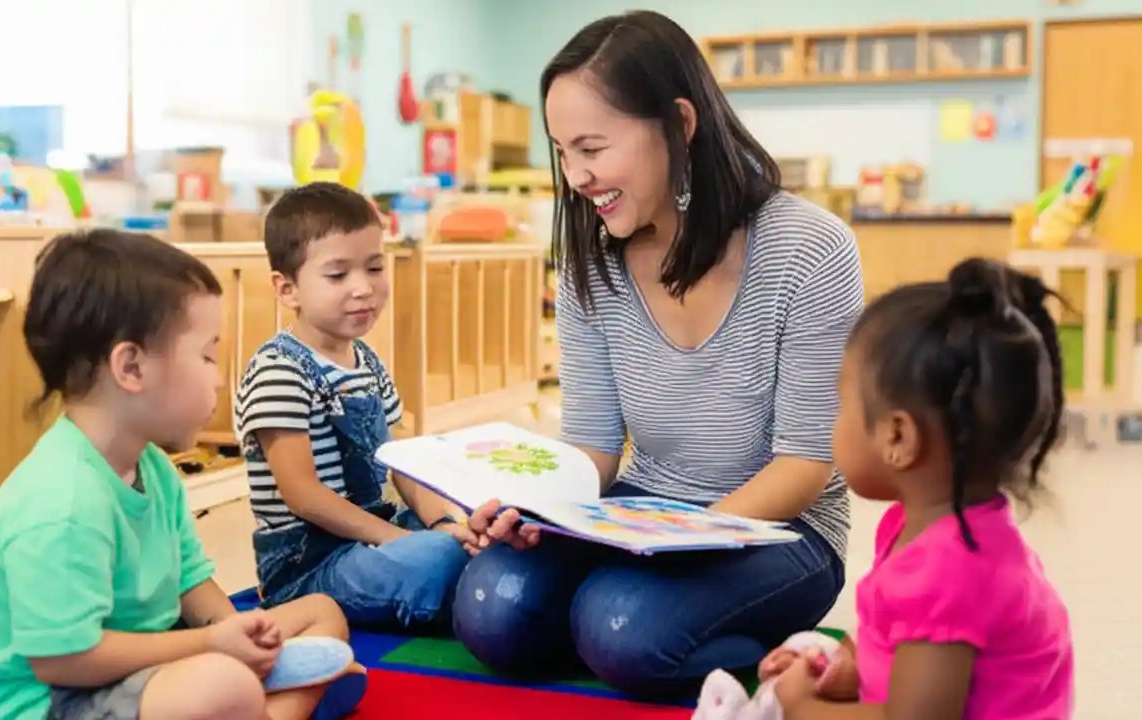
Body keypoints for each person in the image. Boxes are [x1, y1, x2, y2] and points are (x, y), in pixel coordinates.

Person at [454, 10, 861, 696]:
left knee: (622, 627)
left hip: (784, 530)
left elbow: (806, 465)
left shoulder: (809, 250)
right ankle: (644, 623)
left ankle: (768, 670)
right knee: (491, 611)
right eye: (561, 151)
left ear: (679, 123)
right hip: (645, 511)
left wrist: (682, 541)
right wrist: (535, 505)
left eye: (592, 147)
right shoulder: (591, 263)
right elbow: (593, 448)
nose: (576, 175)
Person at [0, 229, 368, 720]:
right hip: (56, 699)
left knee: (320, 611)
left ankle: (269, 702)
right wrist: (211, 646)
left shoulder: (152, 467)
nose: (219, 377)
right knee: (223, 687)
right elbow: (63, 659)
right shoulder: (63, 500)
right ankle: (280, 704)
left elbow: (189, 580)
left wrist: (242, 633)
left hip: (148, 664)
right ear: (131, 367)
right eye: (207, 356)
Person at [761, 258, 1074, 719]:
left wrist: (803, 707)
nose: (834, 420)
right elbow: (894, 630)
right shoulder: (939, 529)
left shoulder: (950, 575)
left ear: (898, 439)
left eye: (843, 403)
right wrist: (848, 667)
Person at [235, 182, 474, 632]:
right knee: (437, 559)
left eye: (374, 267)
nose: (364, 288)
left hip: (371, 538)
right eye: (338, 275)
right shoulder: (279, 369)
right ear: (287, 289)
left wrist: (442, 520)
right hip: (307, 565)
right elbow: (302, 494)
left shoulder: (366, 361)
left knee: (472, 534)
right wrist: (398, 541)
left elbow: (401, 459)